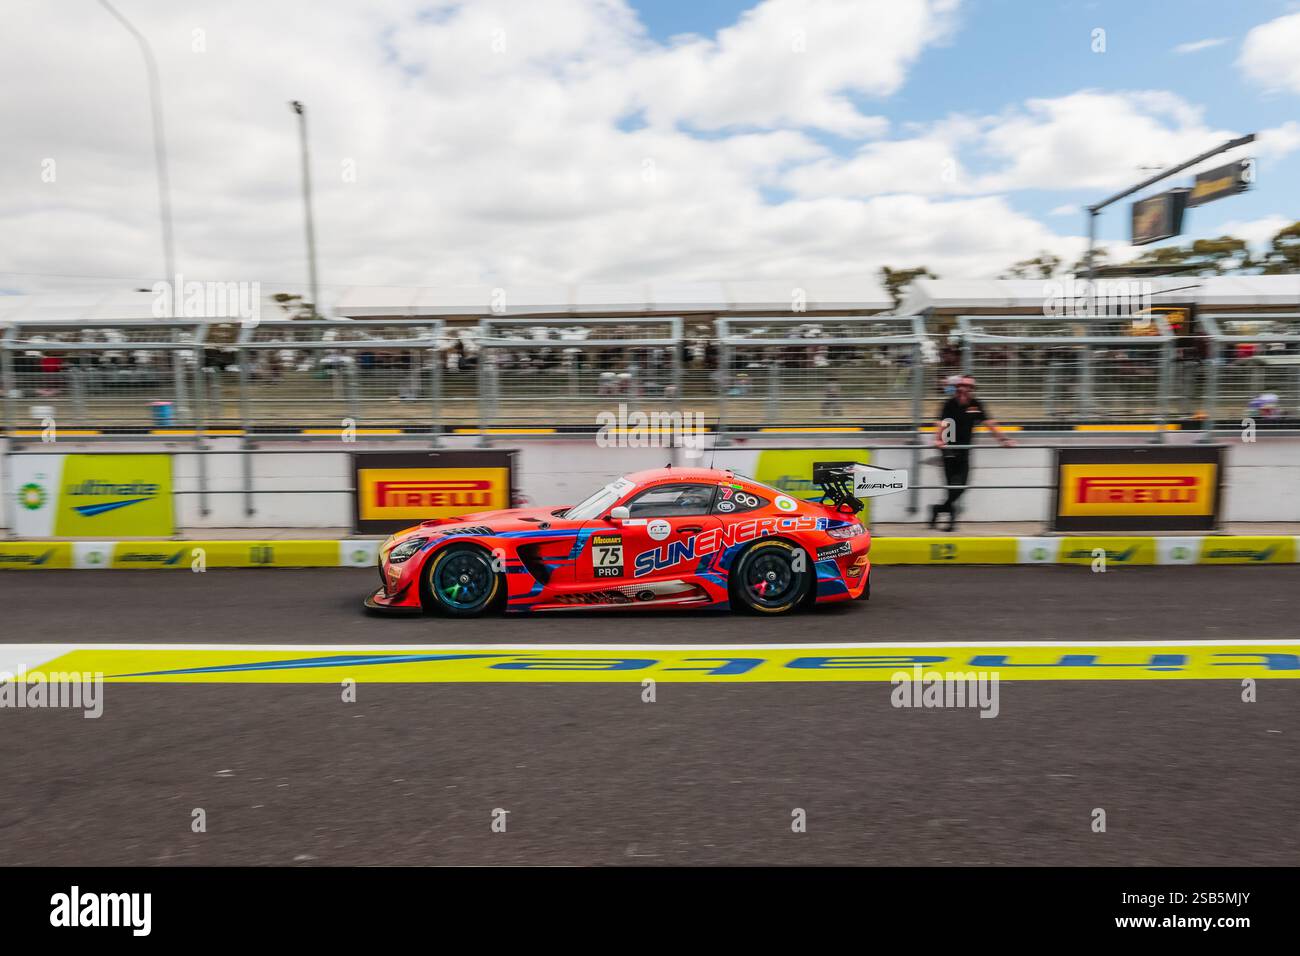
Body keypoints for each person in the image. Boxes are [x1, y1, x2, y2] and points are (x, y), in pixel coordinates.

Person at [930, 375, 1014, 531]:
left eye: (968, 386)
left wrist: (1004, 440)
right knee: (952, 487)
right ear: (956, 388)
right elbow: (941, 423)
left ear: (972, 389)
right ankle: (951, 522)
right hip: (948, 451)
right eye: (961, 385)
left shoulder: (976, 405)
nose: (963, 388)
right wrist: (938, 440)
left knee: (961, 487)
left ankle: (938, 509)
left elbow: (990, 424)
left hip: (965, 451)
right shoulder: (949, 404)